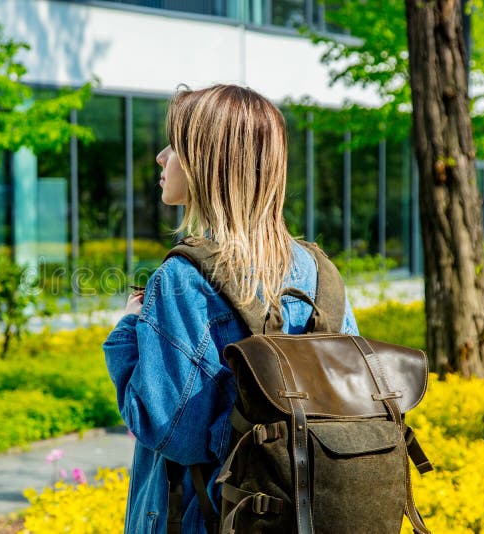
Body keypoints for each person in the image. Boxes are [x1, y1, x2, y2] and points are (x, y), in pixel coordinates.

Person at [102, 84, 359, 534]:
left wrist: (127, 330)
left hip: (208, 518)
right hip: (306, 515)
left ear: (208, 163)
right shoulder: (320, 273)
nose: (161, 157)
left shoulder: (184, 277)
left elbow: (171, 430)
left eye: (175, 145)